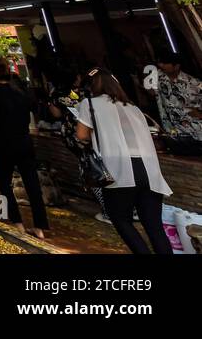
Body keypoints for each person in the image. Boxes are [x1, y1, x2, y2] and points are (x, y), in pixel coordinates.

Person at [75, 67, 174, 255]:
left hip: (119, 168)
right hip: (149, 169)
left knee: (120, 219)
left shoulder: (89, 104)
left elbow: (81, 135)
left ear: (94, 86)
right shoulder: (133, 107)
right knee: (154, 226)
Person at [0, 58, 49, 239]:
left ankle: (17, 222)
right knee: (32, 184)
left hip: (3, 142)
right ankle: (40, 227)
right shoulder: (21, 93)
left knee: (4, 182)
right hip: (24, 141)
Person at [151, 53, 202, 145]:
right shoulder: (157, 78)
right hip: (169, 132)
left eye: (165, 63)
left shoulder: (193, 83)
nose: (161, 65)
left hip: (192, 133)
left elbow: (197, 109)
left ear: (176, 66)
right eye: (160, 63)